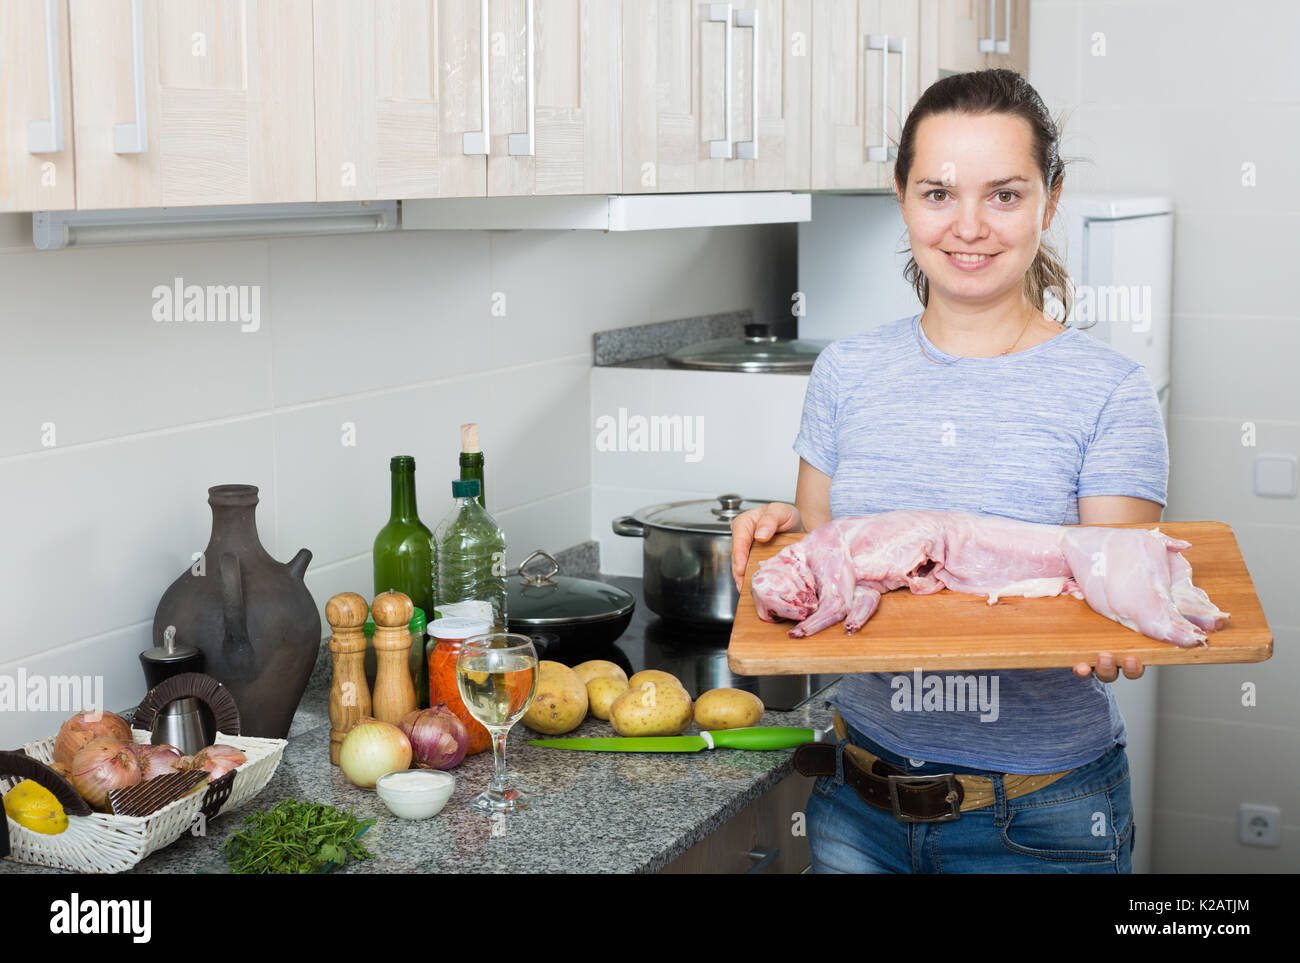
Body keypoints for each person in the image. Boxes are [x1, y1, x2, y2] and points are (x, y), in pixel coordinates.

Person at [730, 69, 1168, 873]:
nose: (969, 226)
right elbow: (830, 572)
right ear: (902, 197)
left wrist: (1116, 633)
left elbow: (1117, 599)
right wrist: (783, 541)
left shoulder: (1112, 392)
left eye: (1004, 194)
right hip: (857, 804)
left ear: (1050, 199)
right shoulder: (845, 373)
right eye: (938, 193)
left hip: (1041, 817)